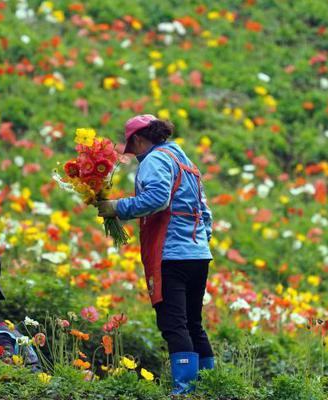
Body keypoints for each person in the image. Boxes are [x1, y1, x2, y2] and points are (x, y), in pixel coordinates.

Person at [96, 114, 214, 394]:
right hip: (198, 254)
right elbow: (205, 212)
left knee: (174, 323)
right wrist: (198, 243)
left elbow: (158, 198)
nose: (133, 154)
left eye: (132, 147)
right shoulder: (186, 162)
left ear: (138, 139)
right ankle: (209, 388)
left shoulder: (155, 160)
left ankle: (185, 390)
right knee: (193, 322)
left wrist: (116, 208)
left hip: (171, 254)